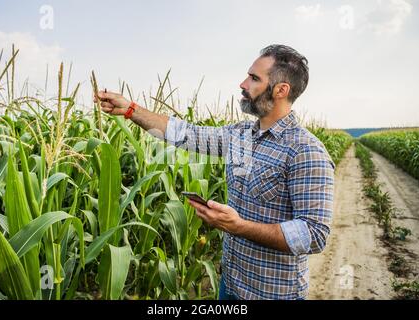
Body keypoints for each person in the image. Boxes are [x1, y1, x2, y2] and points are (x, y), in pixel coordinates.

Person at [95, 44, 335, 300]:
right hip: (230, 284)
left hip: (271, 293)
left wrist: (239, 226)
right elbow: (184, 133)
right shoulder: (240, 136)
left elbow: (313, 234)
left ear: (281, 90)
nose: (242, 83)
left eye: (254, 78)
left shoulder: (305, 151)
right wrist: (130, 109)